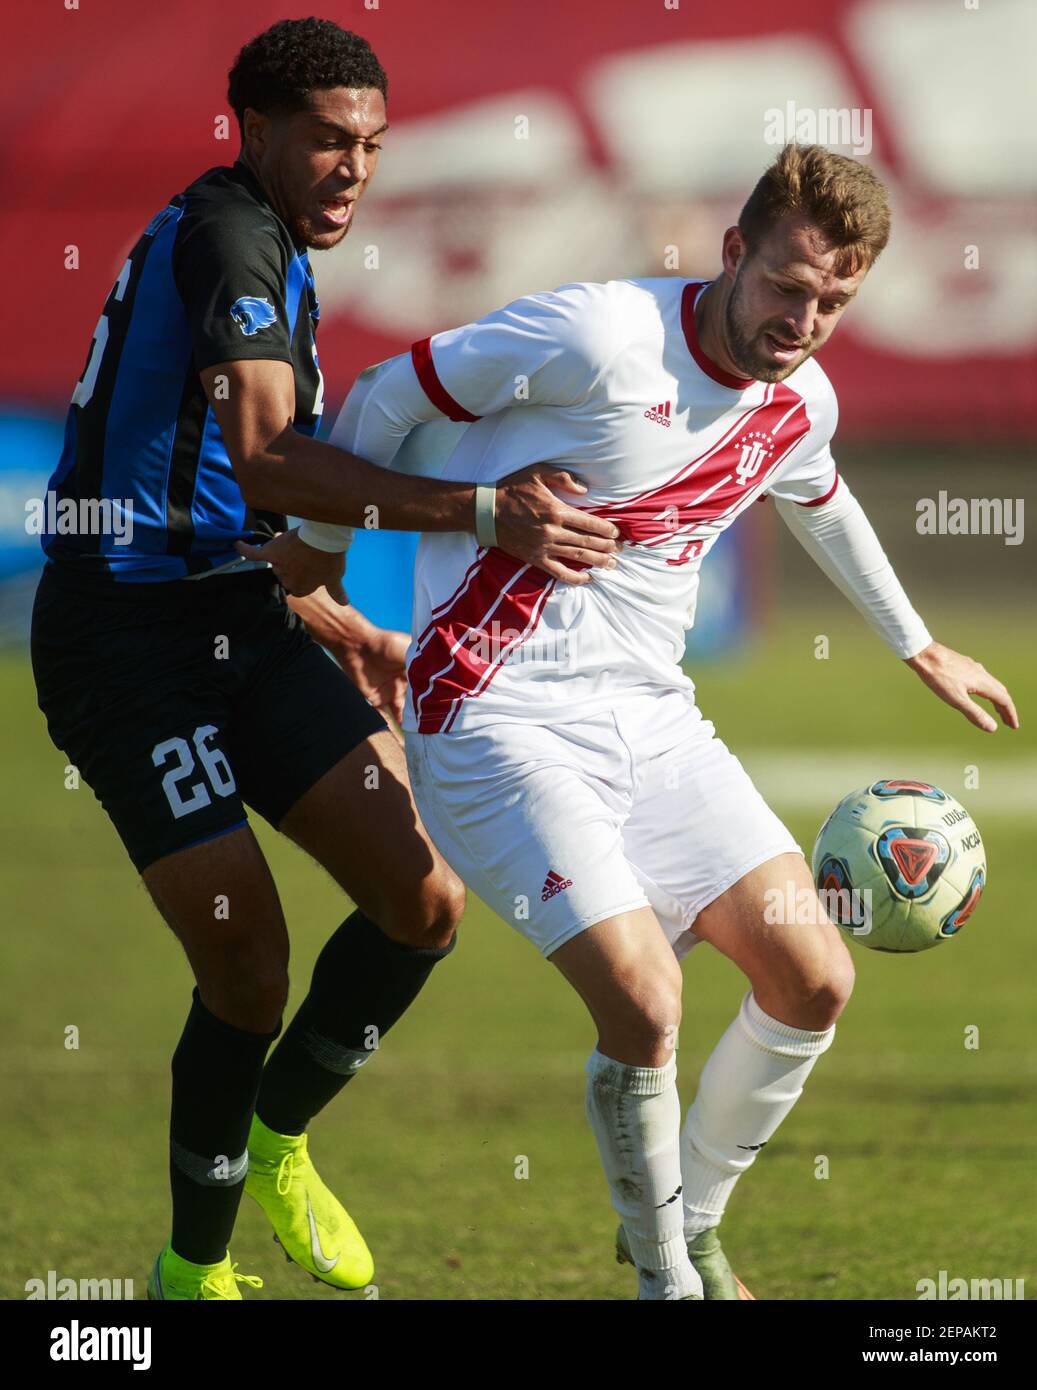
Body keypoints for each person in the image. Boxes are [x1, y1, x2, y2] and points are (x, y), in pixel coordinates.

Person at [255, 143, 1018, 1300]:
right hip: (498, 722)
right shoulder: (599, 338)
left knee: (814, 976)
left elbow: (821, 491)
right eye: (786, 285)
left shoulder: (797, 398)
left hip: (654, 723)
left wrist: (916, 643)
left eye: (835, 301)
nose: (804, 320)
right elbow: (393, 393)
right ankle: (669, 1280)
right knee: (647, 1002)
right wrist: (325, 555)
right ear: (732, 254)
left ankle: (683, 1220)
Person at [29, 17, 618, 1302]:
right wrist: (481, 509)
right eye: (329, 142)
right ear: (255, 131)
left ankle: (280, 1136)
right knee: (247, 962)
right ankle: (192, 1269)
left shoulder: (280, 251)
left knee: (424, 903)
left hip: (239, 615)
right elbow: (272, 461)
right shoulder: (234, 235)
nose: (354, 167)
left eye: (372, 146)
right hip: (123, 643)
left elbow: (248, 508)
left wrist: (347, 625)